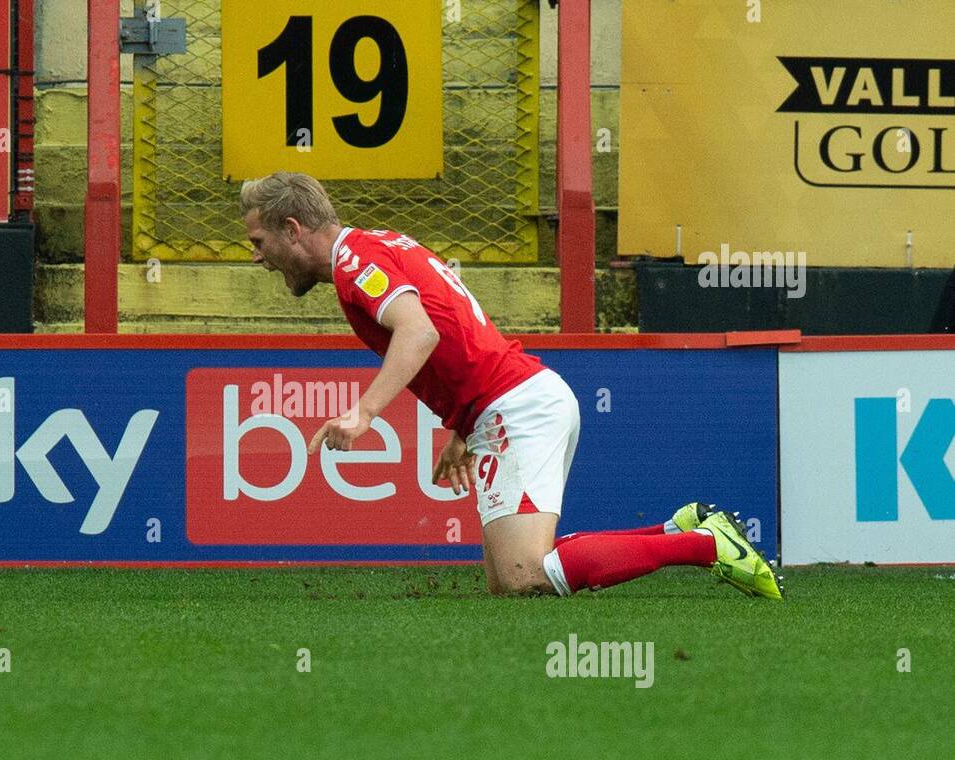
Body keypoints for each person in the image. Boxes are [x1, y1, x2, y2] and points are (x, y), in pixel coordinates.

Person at [239, 172, 783, 599]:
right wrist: (462, 427)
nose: (256, 254)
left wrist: (365, 413)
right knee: (508, 583)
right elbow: (452, 326)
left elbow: (420, 331)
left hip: (518, 406)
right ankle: (677, 530)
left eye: (259, 240)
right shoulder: (373, 247)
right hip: (506, 404)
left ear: (293, 229)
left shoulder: (356, 262)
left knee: (527, 575)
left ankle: (706, 546)